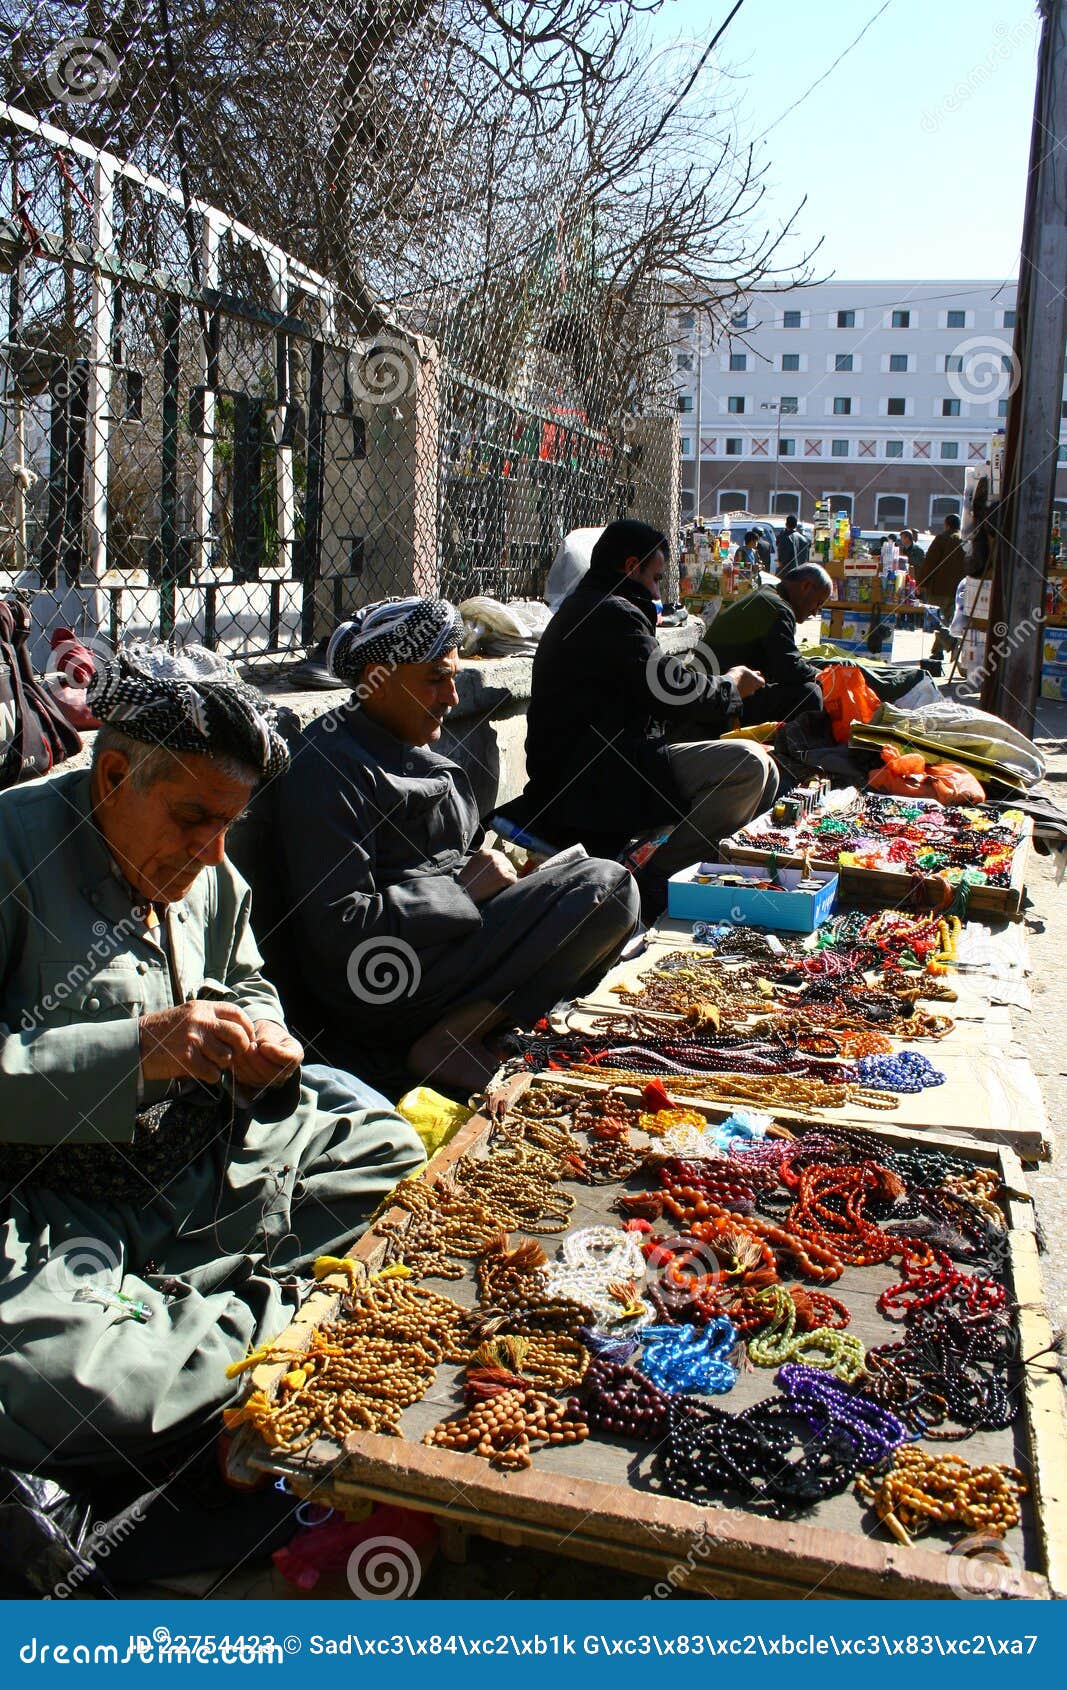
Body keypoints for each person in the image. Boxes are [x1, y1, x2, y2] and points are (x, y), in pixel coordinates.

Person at [0, 646, 424, 1476]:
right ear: (114, 774)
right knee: (81, 1384)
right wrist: (133, 1053)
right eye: (193, 818)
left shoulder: (211, 864)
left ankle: (198, 1331)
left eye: (230, 824)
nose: (212, 852)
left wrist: (265, 1039)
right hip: (52, 1200)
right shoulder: (11, 853)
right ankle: (268, 1324)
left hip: (201, 1163)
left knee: (390, 1154)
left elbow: (244, 978)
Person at [270, 597, 641, 1093]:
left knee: (609, 897)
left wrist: (511, 884)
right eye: (434, 679)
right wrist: (463, 891)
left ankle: (474, 1029)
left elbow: (447, 860)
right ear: (378, 678)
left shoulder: (411, 747)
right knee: (608, 889)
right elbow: (340, 927)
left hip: (444, 950)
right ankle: (452, 1040)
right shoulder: (329, 769)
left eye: (453, 677)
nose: (451, 696)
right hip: (383, 984)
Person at [522, 519, 778, 886]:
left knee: (767, 771)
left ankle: (721, 876)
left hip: (609, 763)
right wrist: (731, 686)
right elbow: (670, 690)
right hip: (592, 778)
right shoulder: (612, 613)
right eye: (656, 578)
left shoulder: (595, 607)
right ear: (630, 567)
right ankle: (652, 880)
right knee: (748, 765)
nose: (658, 591)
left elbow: (651, 688)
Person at [703, 564, 832, 723]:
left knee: (817, 672)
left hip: (717, 688)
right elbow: (788, 669)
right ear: (806, 586)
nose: (815, 612)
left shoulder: (768, 595)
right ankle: (794, 744)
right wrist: (826, 678)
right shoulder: (778, 608)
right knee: (810, 694)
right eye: (818, 603)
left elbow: (785, 661)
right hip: (719, 697)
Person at [917, 512, 968, 660]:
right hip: (959, 590)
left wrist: (921, 583)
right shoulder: (966, 540)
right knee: (949, 621)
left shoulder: (942, 539)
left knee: (939, 621)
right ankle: (938, 650)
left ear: (946, 525)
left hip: (939, 588)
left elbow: (929, 563)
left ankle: (951, 643)